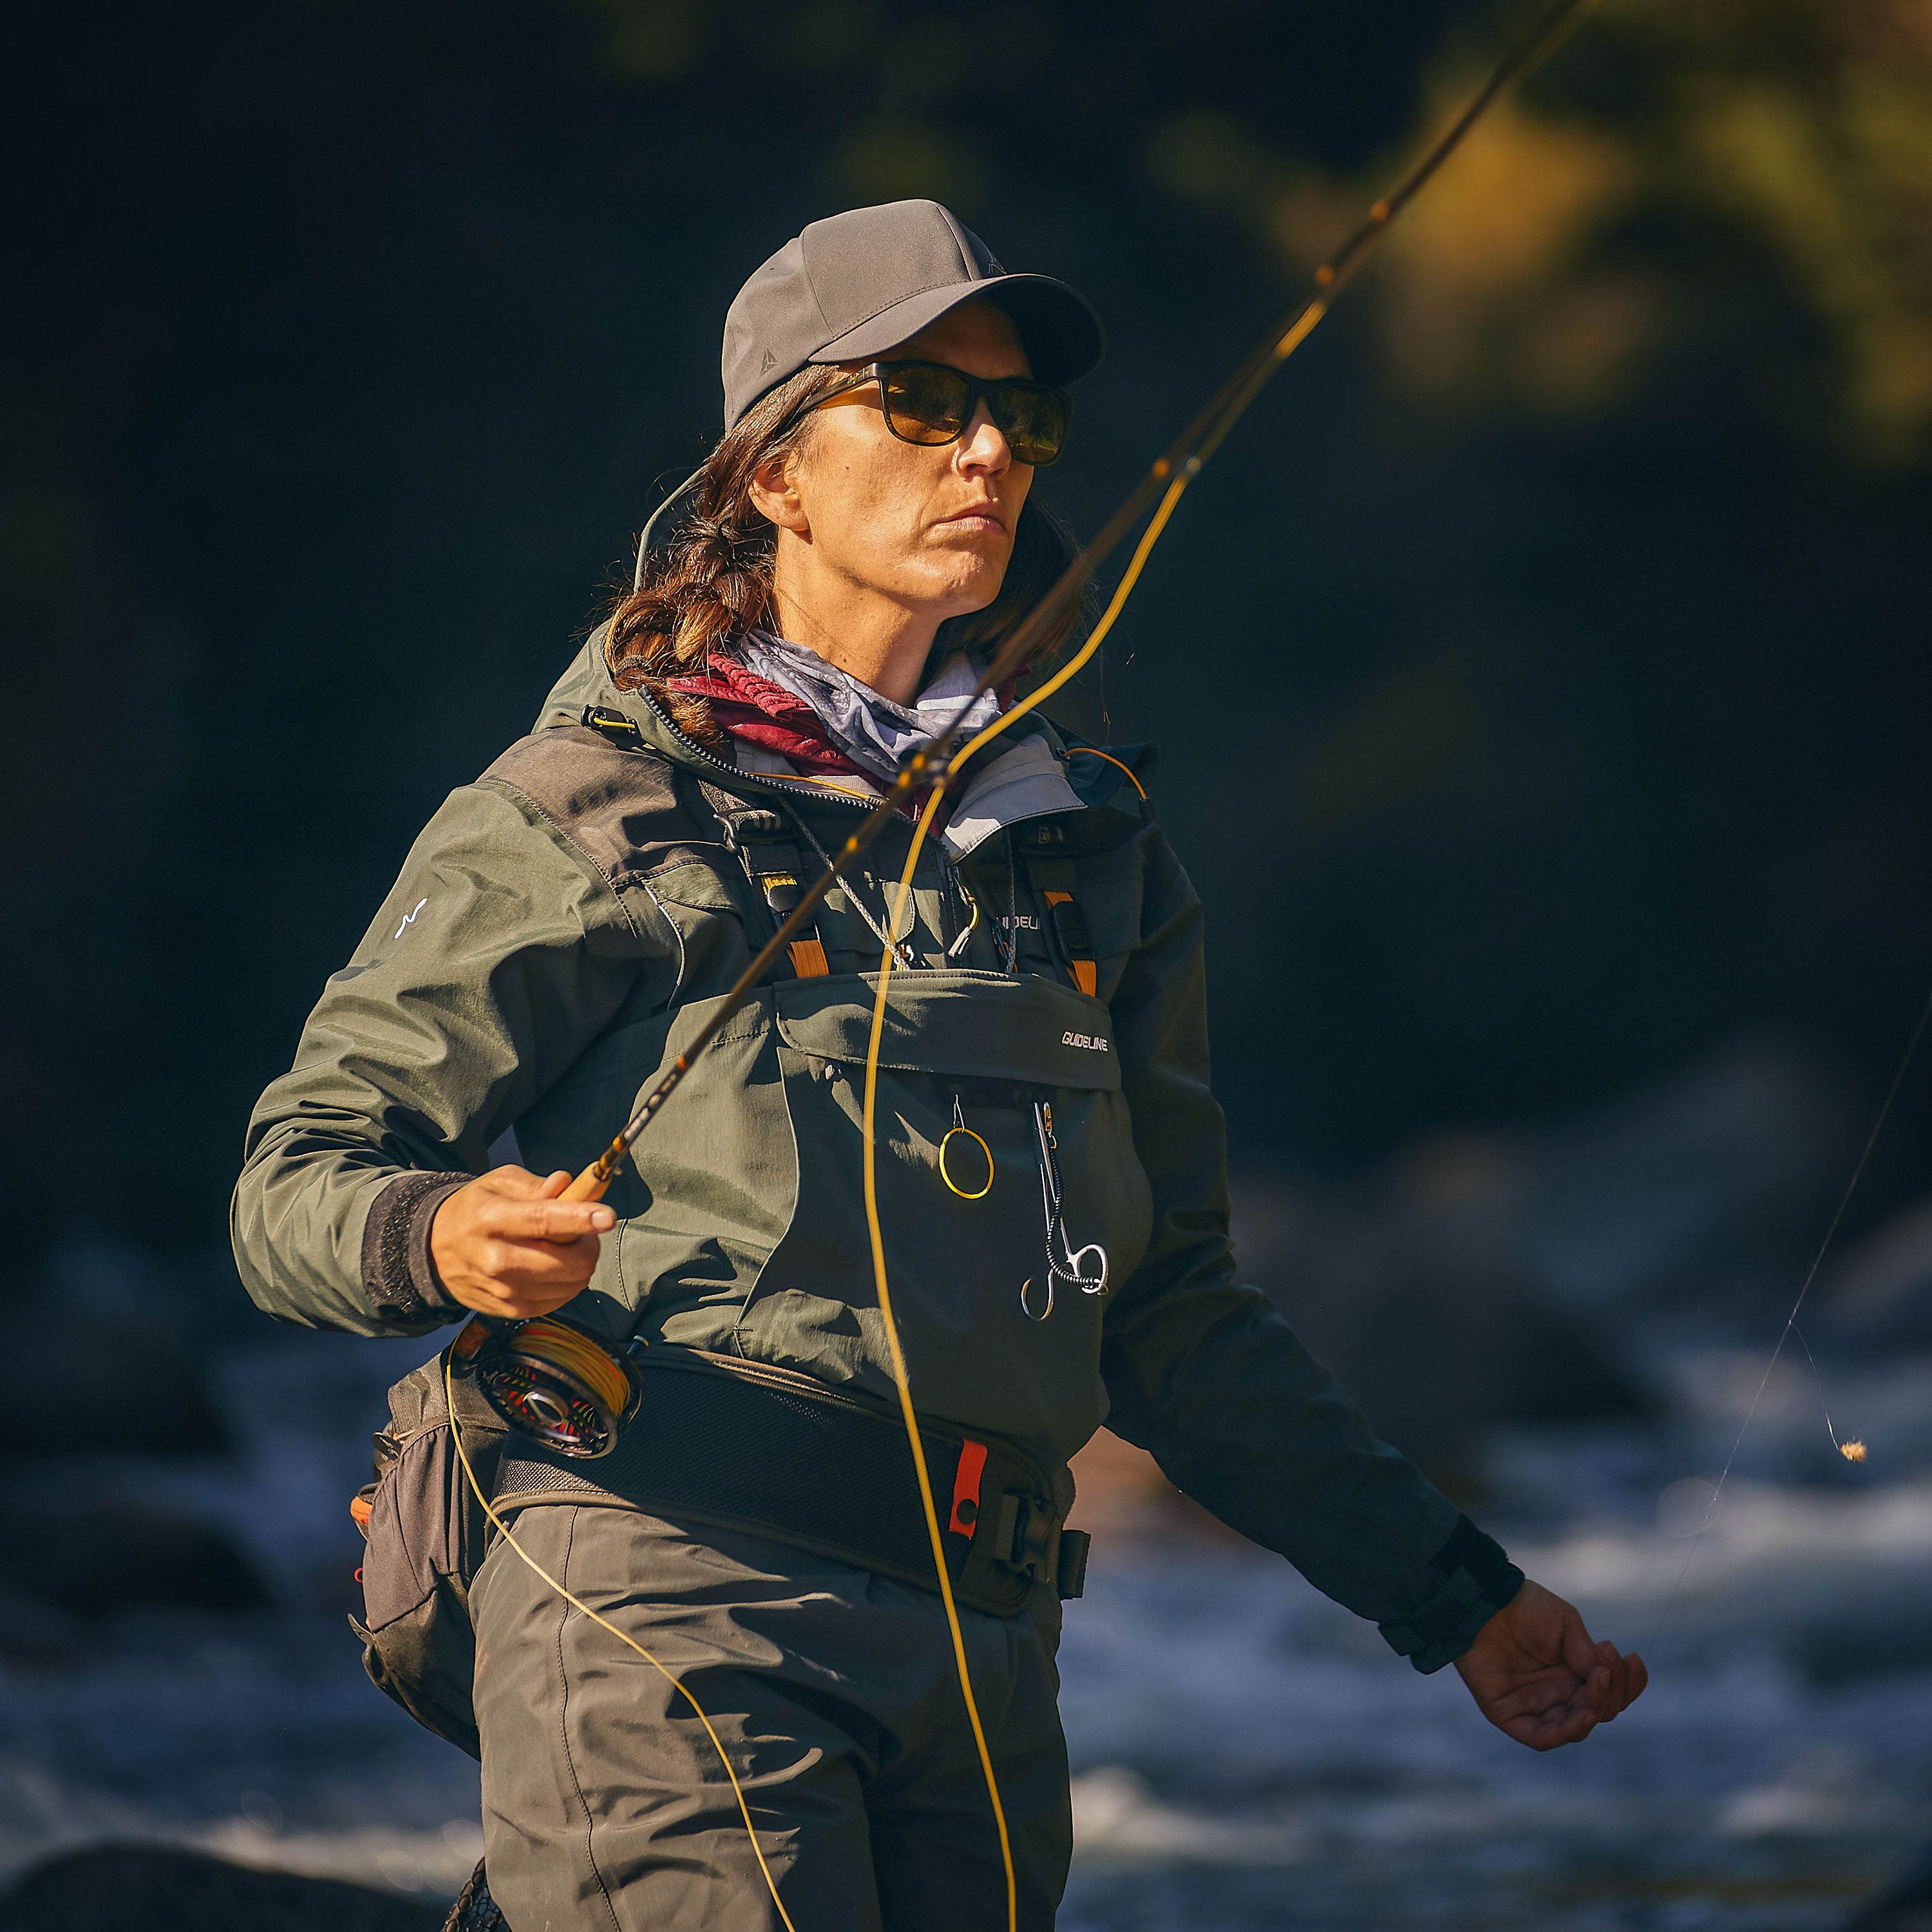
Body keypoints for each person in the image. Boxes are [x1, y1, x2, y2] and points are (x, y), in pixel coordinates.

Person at [232, 199, 1646, 1932]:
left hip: (981, 1654)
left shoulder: (1093, 850)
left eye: (1020, 420)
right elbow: (299, 1174)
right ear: (775, 473)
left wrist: (1459, 1600)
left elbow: (1173, 1315)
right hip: (655, 1583)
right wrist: (445, 1235)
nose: (988, 450)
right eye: (919, 400)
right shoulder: (582, 806)